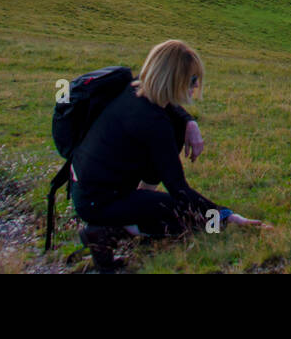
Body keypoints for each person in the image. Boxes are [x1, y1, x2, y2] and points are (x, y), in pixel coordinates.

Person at [70, 39, 262, 270]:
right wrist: (224, 216)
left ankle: (134, 210)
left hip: (87, 191)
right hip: (101, 202)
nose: (195, 86)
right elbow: (179, 190)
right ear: (174, 80)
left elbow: (171, 108)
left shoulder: (134, 91)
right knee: (190, 219)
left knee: (177, 133)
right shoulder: (153, 123)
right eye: (192, 80)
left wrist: (189, 122)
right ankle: (109, 231)